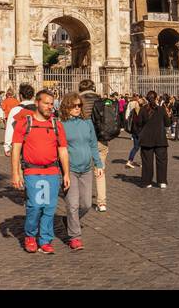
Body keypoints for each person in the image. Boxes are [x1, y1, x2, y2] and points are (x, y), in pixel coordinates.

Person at [10, 90, 69, 254]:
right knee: (35, 206)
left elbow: (63, 150)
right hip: (31, 171)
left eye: (52, 104)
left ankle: (45, 239)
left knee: (49, 208)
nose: (50, 107)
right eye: (46, 103)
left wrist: (66, 173)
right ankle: (30, 235)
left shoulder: (56, 124)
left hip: (52, 171)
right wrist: (16, 173)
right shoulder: (25, 123)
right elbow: (16, 148)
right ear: (37, 103)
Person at [58, 93, 102, 251]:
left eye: (79, 106)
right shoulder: (61, 124)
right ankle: (75, 237)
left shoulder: (87, 122)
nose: (77, 108)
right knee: (73, 205)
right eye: (74, 106)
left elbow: (93, 144)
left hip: (86, 169)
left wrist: (98, 164)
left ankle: (70, 220)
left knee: (86, 204)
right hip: (70, 170)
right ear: (66, 106)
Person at [80, 79, 114, 213]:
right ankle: (102, 203)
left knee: (83, 171)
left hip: (84, 140)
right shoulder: (101, 100)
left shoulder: (78, 101)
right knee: (100, 172)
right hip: (101, 139)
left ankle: (84, 199)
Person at [136, 91, 170, 189]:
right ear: (156, 98)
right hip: (160, 138)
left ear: (146, 98)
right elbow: (167, 123)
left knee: (147, 161)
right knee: (162, 161)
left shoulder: (142, 110)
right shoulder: (161, 109)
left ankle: (147, 182)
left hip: (147, 139)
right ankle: (162, 181)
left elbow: (139, 123)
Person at [3, 84, 37, 158]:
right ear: (32, 95)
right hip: (36, 143)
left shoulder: (15, 110)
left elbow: (10, 129)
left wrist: (7, 146)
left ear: (21, 95)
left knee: (21, 166)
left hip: (21, 144)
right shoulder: (38, 109)